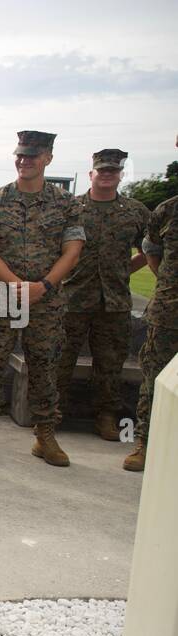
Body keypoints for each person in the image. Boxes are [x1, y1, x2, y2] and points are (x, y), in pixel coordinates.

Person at [0, 131, 84, 466]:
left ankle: (45, 435)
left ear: (47, 158)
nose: (23, 161)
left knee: (45, 367)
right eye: (20, 155)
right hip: (2, 298)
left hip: (46, 302)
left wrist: (43, 286)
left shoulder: (66, 204)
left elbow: (73, 252)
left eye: (31, 156)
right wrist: (19, 286)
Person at [56, 148, 149, 440]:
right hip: (72, 297)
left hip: (114, 301)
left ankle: (106, 416)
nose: (107, 175)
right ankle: (52, 413)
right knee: (60, 359)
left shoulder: (135, 212)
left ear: (120, 175)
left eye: (113, 170)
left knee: (110, 363)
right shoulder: (71, 208)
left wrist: (124, 271)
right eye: (102, 170)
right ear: (91, 174)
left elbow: (150, 250)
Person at [128, 134, 178, 472]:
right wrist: (168, 284)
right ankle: (145, 444)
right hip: (169, 312)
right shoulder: (168, 209)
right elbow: (152, 251)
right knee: (155, 379)